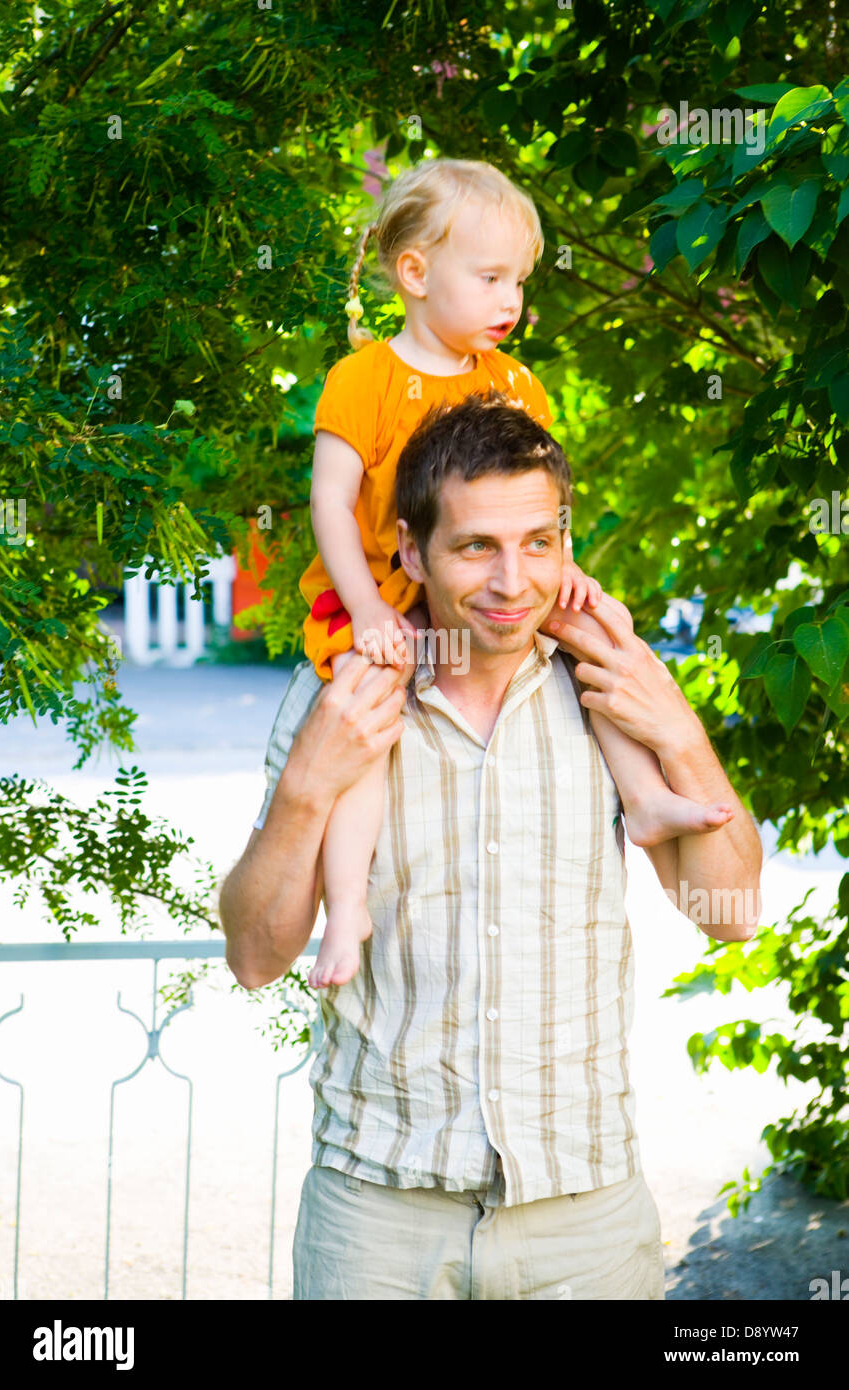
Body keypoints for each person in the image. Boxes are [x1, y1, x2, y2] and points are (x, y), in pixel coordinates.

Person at [219, 393, 763, 1302]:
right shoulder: (337, 698)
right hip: (377, 1220)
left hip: (583, 1219)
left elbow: (734, 917)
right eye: (477, 547)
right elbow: (254, 955)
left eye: (539, 542)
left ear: (565, 542)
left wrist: (680, 731)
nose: (515, 581)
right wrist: (310, 782)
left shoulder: (608, 680)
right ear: (408, 549)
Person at [301, 157, 732, 991]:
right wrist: (367, 610)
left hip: (472, 596)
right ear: (416, 273)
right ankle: (347, 906)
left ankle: (644, 799)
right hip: (383, 594)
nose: (512, 301)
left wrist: (566, 569)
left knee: (590, 643)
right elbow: (329, 503)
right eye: (491, 277)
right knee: (368, 721)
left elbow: (542, 497)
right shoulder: (366, 378)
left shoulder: (513, 382)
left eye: (520, 281)